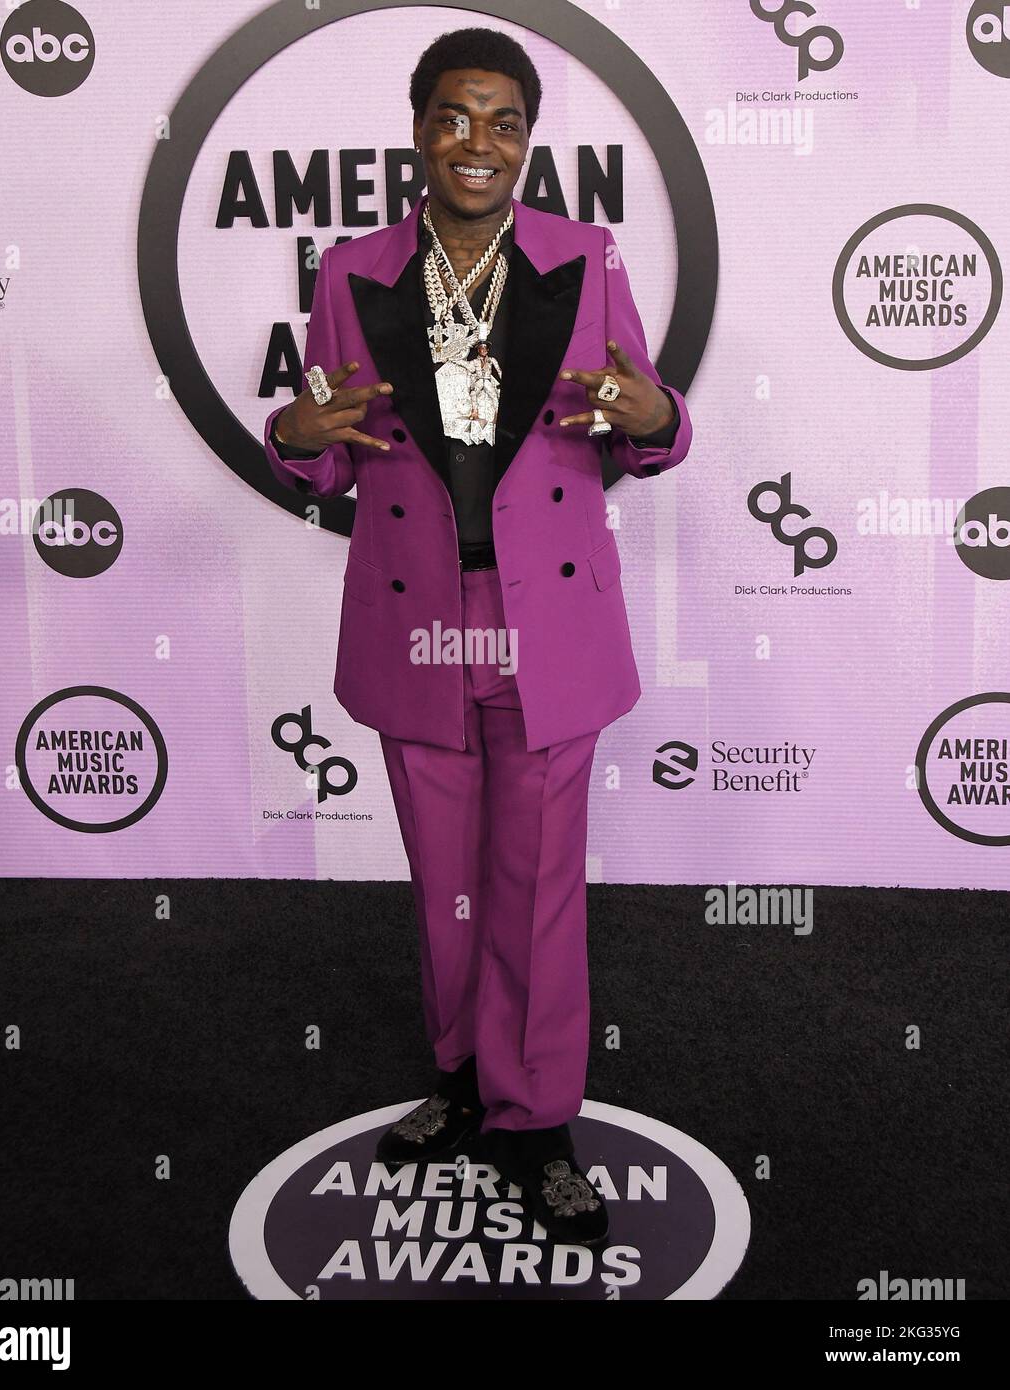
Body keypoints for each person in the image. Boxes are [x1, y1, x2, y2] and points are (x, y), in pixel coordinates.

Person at [264, 27, 692, 1247]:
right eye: (455, 115)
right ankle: (458, 1078)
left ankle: (536, 1115)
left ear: (525, 140)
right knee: (443, 873)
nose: (478, 142)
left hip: (541, 610)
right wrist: (298, 428)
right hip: (415, 612)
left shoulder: (584, 256)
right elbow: (328, 460)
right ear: (417, 128)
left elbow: (642, 429)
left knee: (537, 876)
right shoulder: (349, 272)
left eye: (503, 120)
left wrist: (653, 411)